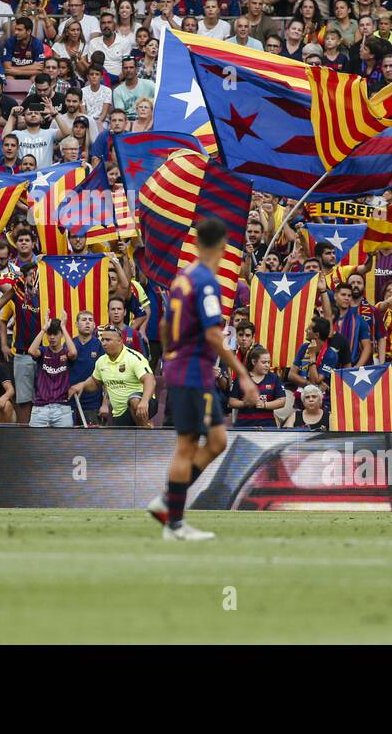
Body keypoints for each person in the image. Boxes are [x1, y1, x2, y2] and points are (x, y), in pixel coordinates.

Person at [149, 217, 258, 541]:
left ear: (197, 244)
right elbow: (213, 334)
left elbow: (166, 324)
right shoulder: (206, 282)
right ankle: (174, 522)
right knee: (187, 445)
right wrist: (243, 376)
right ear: (224, 248)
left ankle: (169, 501)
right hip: (193, 371)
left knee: (217, 441)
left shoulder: (182, 279)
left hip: (187, 368)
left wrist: (169, 353)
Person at [68, 324, 156, 427]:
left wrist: (144, 401)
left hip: (144, 404)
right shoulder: (101, 361)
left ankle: (146, 434)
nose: (104, 343)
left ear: (120, 341)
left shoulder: (133, 358)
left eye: (108, 340)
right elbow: (95, 383)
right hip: (119, 413)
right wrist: (82, 385)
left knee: (134, 400)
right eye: (103, 340)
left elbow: (150, 380)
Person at [26, 317, 78, 427]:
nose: (52, 337)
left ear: (61, 334)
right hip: (40, 408)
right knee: (35, 444)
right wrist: (43, 329)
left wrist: (64, 327)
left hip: (63, 408)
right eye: (49, 334)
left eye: (56, 333)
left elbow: (73, 353)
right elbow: (31, 351)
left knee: (64, 444)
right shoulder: (43, 351)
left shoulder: (66, 352)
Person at [228, 346, 288, 427]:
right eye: (264, 362)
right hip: (244, 426)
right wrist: (246, 403)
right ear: (253, 362)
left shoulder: (274, 378)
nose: (267, 365)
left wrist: (264, 405)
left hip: (268, 426)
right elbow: (232, 402)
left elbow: (282, 401)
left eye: (268, 362)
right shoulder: (242, 378)